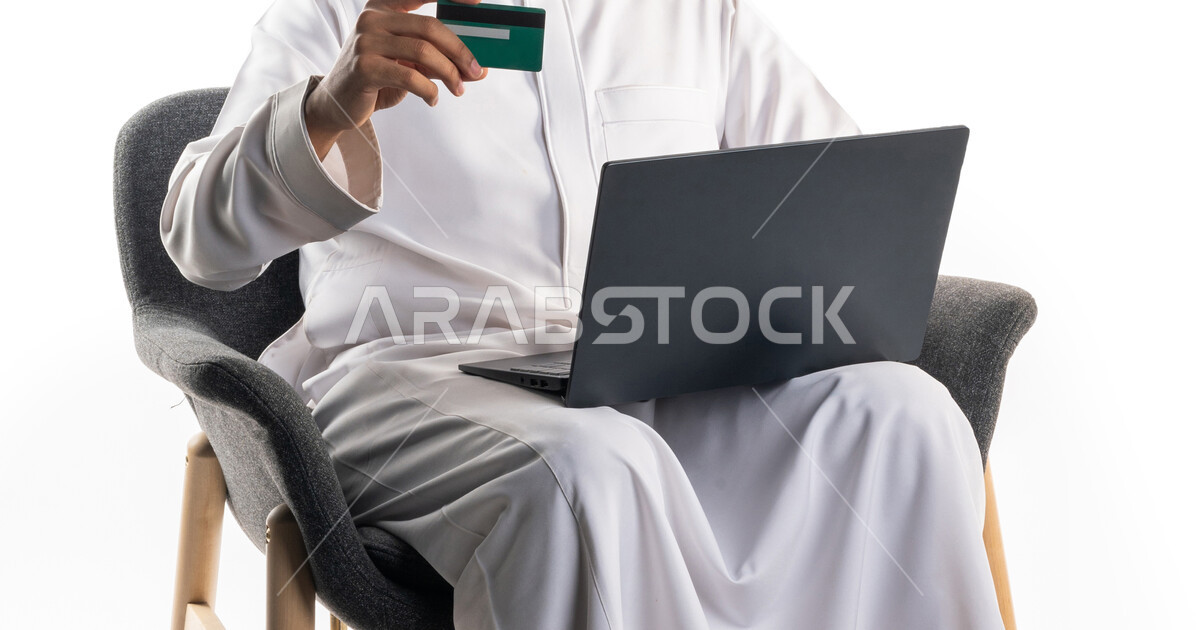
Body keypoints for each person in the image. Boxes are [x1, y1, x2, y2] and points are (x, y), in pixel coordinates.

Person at [161, 0, 1005, 627]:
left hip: (648, 360)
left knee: (903, 415)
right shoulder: (343, 10)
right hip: (408, 375)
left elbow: (834, 190)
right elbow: (198, 242)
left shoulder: (694, 13)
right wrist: (328, 105)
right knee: (587, 472)